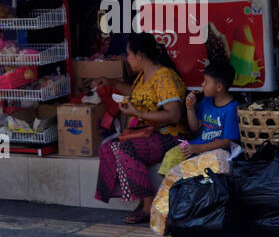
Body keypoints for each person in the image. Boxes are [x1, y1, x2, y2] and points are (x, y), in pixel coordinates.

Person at [94, 32, 185, 223]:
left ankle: (148, 205)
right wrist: (112, 83)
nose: (128, 59)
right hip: (148, 135)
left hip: (171, 137)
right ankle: (137, 197)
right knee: (107, 148)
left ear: (140, 55)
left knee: (124, 149)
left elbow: (175, 114)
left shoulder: (163, 77)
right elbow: (136, 94)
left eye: (129, 54)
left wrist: (139, 114)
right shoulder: (144, 77)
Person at [158, 59, 240, 176]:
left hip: (216, 150)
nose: (202, 85)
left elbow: (228, 142)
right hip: (198, 143)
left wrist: (199, 148)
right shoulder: (207, 101)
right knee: (171, 156)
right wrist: (190, 108)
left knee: (198, 169)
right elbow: (195, 127)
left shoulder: (231, 108)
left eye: (206, 82)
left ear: (219, 86)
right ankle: (171, 189)